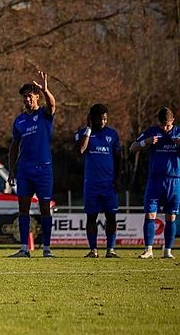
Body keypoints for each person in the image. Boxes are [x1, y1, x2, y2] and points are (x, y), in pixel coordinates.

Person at [7, 71, 57, 258]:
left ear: (37, 97)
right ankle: (24, 249)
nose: (27, 99)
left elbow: (52, 105)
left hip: (43, 169)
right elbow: (14, 146)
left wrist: (46, 90)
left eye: (30, 96)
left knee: (44, 208)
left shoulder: (44, 114)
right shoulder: (19, 120)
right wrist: (11, 170)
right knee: (23, 209)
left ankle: (46, 249)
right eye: (24, 97)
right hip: (24, 170)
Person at [131, 106, 179, 259]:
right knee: (150, 214)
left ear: (173, 121)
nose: (165, 128)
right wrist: (146, 142)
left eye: (168, 125)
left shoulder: (178, 132)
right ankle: (149, 250)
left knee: (171, 216)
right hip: (155, 181)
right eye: (163, 125)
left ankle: (167, 251)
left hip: (174, 181)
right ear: (158, 122)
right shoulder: (151, 132)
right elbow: (132, 148)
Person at [75, 104, 121, 258]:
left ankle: (110, 250)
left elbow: (118, 158)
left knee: (111, 217)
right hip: (92, 185)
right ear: (92, 118)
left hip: (109, 184)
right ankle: (93, 250)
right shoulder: (82, 133)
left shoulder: (112, 134)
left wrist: (118, 179)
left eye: (105, 119)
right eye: (100, 119)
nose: (102, 122)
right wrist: (88, 129)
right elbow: (80, 150)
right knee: (91, 217)